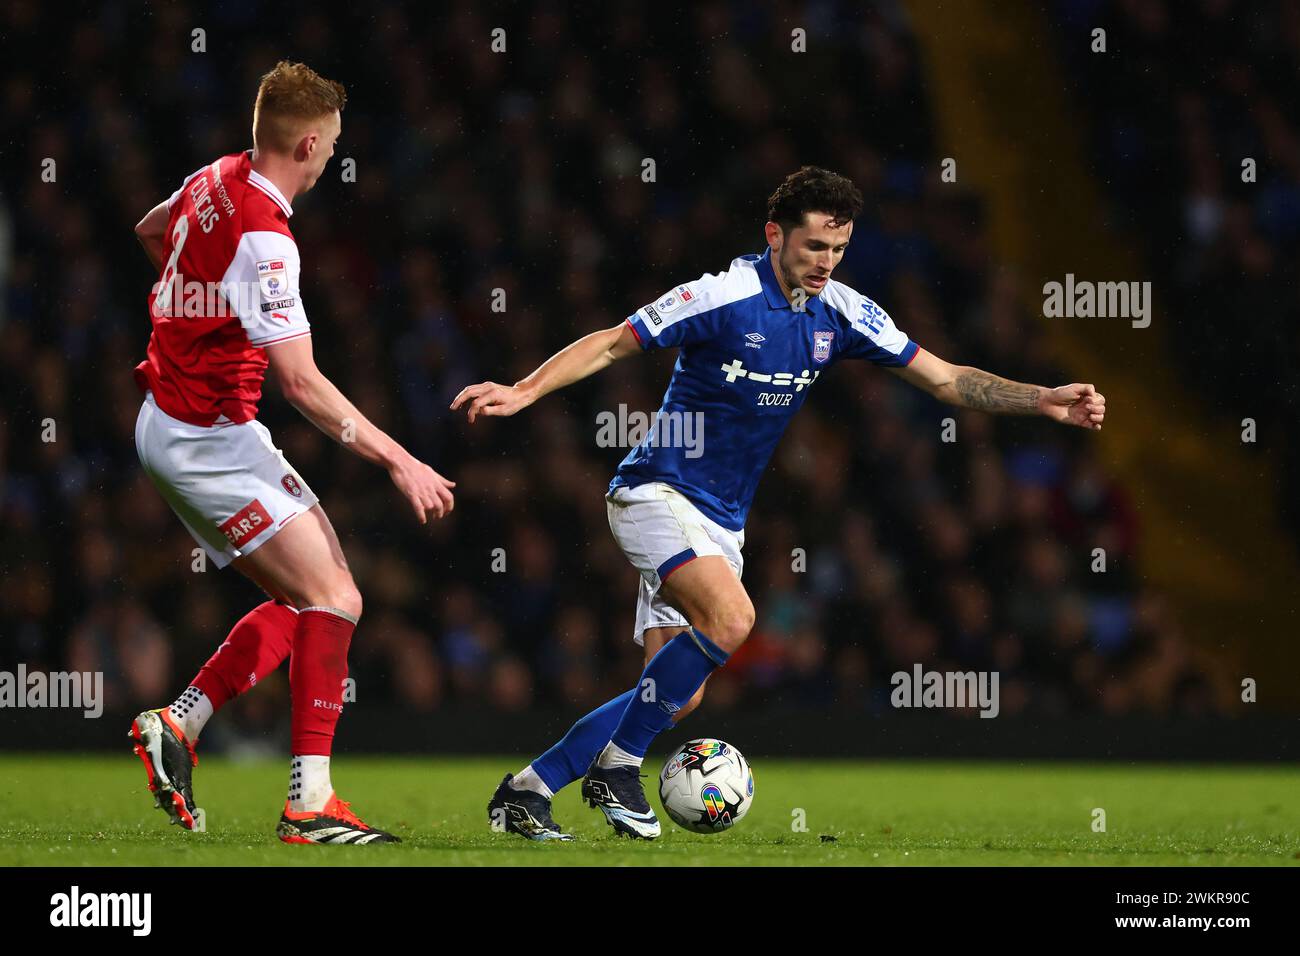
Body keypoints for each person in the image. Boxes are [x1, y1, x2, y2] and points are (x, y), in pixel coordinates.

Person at [454, 166, 1106, 840]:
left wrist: (1042, 399)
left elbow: (944, 379)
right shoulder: (722, 295)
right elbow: (617, 341)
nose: (827, 262)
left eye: (839, 249)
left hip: (721, 522)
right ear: (774, 235)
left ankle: (527, 792)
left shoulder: (842, 312)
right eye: (814, 246)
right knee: (734, 618)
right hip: (656, 492)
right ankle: (617, 769)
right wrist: (524, 391)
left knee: (676, 694)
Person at [129, 61, 455, 845]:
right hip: (206, 439)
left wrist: (200, 317)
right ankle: (308, 804)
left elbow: (151, 232)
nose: (332, 159)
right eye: (332, 146)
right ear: (309, 144)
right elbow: (303, 385)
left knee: (312, 595)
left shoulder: (215, 177)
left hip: (179, 420)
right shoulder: (266, 237)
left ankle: (180, 723)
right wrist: (401, 460)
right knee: (336, 597)